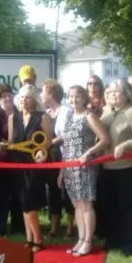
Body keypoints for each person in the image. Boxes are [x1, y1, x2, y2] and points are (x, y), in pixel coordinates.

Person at [99, 79, 132, 256]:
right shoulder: (105, 113)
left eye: (117, 92)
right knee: (111, 205)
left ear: (126, 94)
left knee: (130, 206)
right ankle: (115, 237)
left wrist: (126, 145)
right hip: (107, 167)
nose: (113, 95)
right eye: (110, 92)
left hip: (128, 168)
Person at [59, 85, 109, 256]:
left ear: (84, 97)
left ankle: (88, 240)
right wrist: (61, 170)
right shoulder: (69, 116)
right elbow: (65, 144)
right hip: (69, 168)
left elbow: (104, 139)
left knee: (86, 205)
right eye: (71, 96)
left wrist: (89, 153)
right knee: (77, 205)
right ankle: (80, 239)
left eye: (77, 96)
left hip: (85, 167)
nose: (74, 100)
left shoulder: (90, 116)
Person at [5, 85, 52, 252]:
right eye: (22, 97)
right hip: (17, 163)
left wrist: (41, 150)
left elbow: (48, 139)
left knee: (28, 203)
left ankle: (38, 239)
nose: (25, 100)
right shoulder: (12, 118)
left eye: (28, 97)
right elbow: (11, 141)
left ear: (34, 100)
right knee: (24, 202)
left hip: (34, 164)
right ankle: (29, 239)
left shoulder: (42, 117)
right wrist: (3, 145)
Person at [41, 79, 74, 239]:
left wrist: (50, 142)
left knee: (67, 191)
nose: (41, 94)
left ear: (51, 94)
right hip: (50, 158)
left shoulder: (66, 111)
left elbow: (66, 134)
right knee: (53, 191)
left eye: (43, 91)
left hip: (64, 155)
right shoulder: (46, 114)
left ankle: (69, 227)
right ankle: (54, 227)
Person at [0, 83, 24, 236]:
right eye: (4, 96)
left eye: (9, 95)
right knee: (0, 197)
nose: (8, 98)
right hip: (1, 162)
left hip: (19, 160)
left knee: (18, 194)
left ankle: (19, 226)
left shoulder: (20, 112)